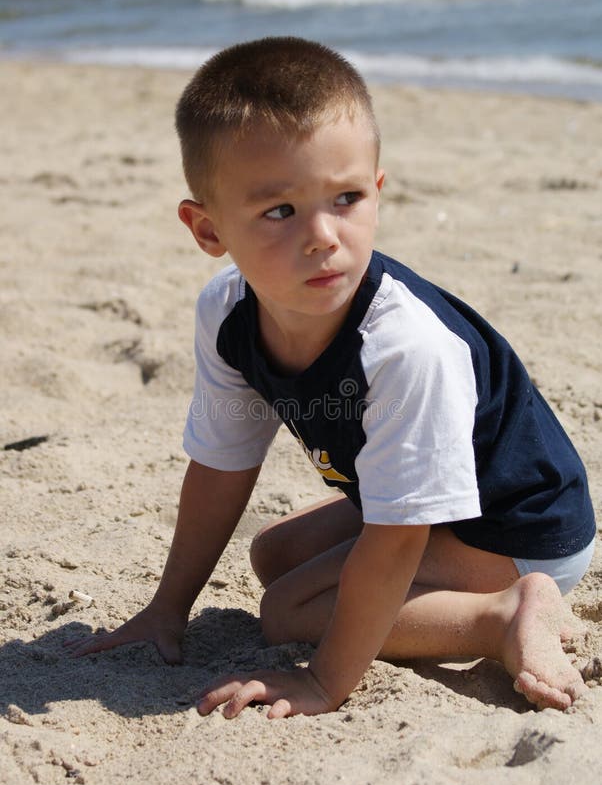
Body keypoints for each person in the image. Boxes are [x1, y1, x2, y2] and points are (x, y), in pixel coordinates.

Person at [71, 36, 596, 718]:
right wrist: (167, 608)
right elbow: (221, 467)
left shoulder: (406, 347)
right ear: (208, 229)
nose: (322, 236)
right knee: (275, 553)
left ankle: (501, 616)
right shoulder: (227, 312)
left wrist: (324, 681)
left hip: (518, 528)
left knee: (288, 610)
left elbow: (399, 537)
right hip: (433, 504)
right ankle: (475, 604)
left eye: (345, 197)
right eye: (280, 211)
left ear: (377, 191)